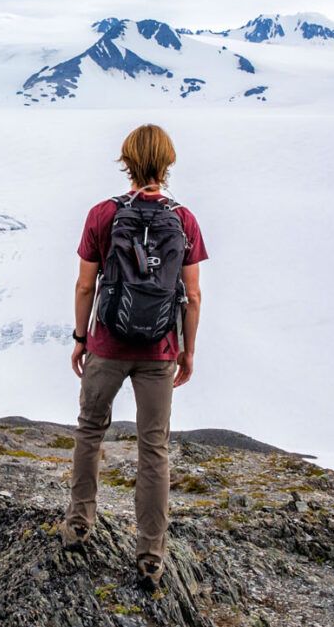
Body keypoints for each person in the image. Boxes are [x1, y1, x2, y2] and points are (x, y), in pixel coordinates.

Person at [58, 123, 209, 588]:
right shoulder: (183, 220)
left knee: (90, 430)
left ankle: (79, 524)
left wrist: (81, 337)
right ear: (167, 163)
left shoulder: (104, 214)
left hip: (107, 343)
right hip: (159, 350)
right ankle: (150, 552)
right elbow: (194, 295)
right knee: (154, 447)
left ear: (126, 161)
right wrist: (185, 352)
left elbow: (86, 283)